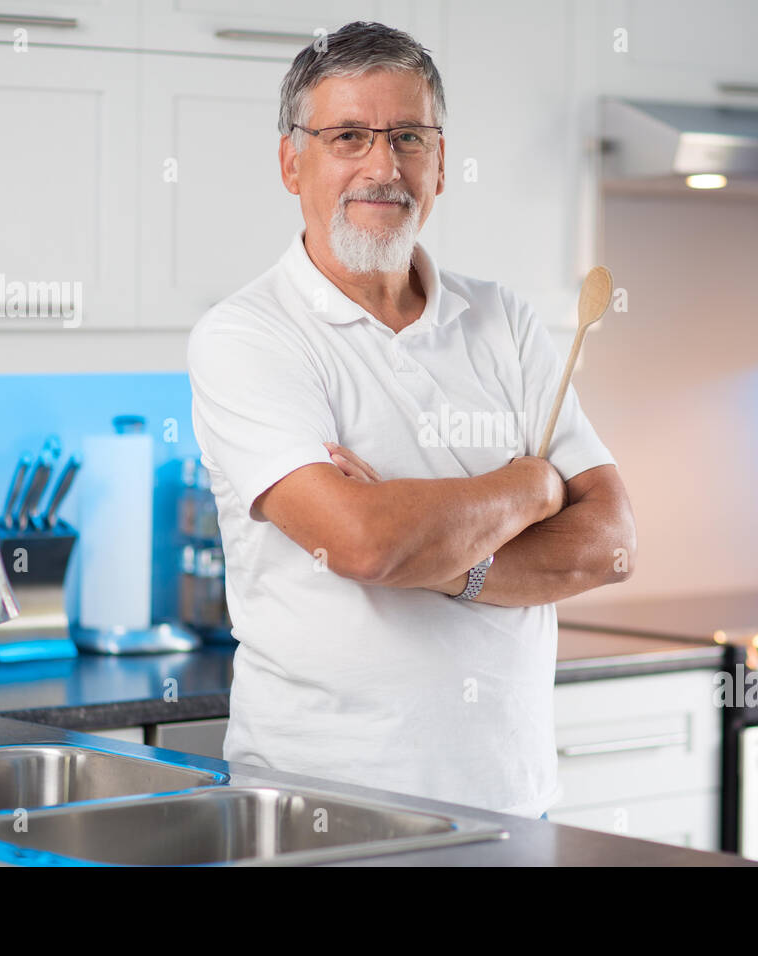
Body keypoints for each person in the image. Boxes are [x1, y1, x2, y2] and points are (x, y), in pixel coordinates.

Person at [187, 20, 636, 820]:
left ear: (439, 161)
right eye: (348, 136)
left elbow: (610, 545)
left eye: (408, 137)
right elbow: (362, 542)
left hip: (509, 809)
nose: (382, 166)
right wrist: (532, 487)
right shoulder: (247, 337)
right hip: (319, 817)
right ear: (293, 162)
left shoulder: (505, 320)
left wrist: (435, 555)